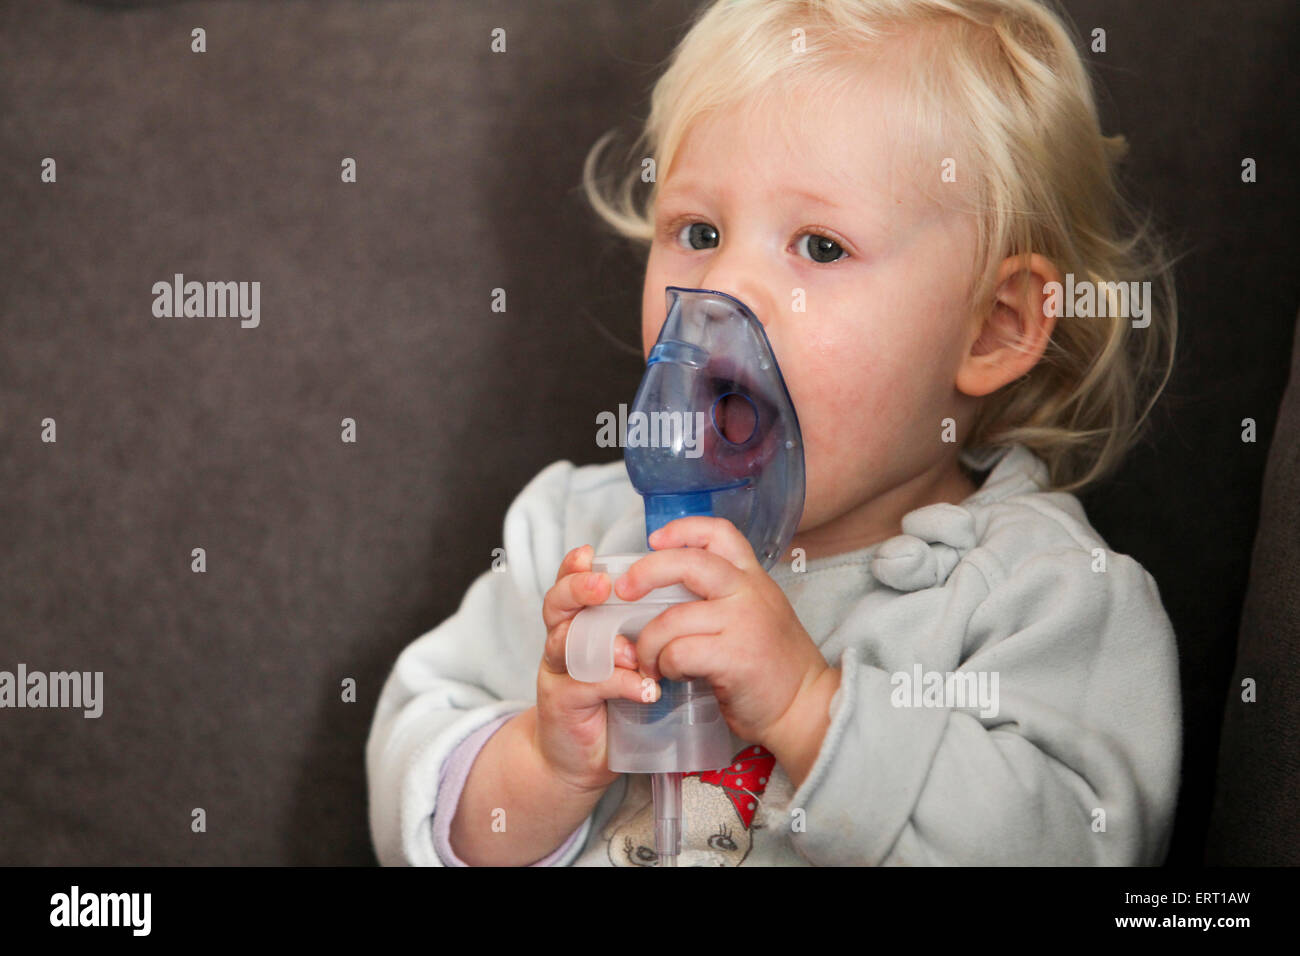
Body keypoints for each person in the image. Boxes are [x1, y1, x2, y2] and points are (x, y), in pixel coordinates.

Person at [366, 0, 1181, 866]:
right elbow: (411, 771)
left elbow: (1071, 847)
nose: (726, 290)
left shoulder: (1043, 599)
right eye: (699, 232)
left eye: (820, 248)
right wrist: (538, 762)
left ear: (993, 325)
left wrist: (808, 709)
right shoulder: (573, 535)